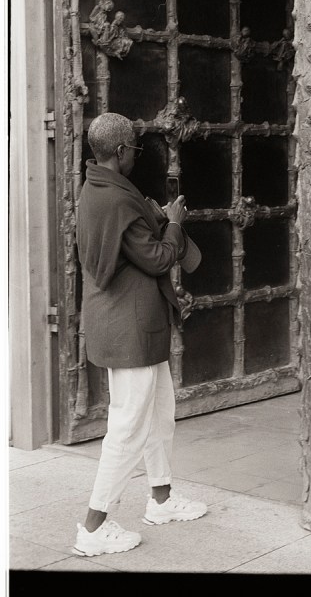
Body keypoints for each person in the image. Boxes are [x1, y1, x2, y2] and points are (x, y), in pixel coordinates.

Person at [73, 112, 206, 557]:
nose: (136, 155)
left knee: (159, 413)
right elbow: (156, 259)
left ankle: (162, 500)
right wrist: (173, 221)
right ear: (121, 151)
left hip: (132, 323)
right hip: (130, 327)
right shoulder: (119, 201)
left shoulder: (96, 189)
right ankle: (94, 525)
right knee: (128, 427)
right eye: (135, 148)